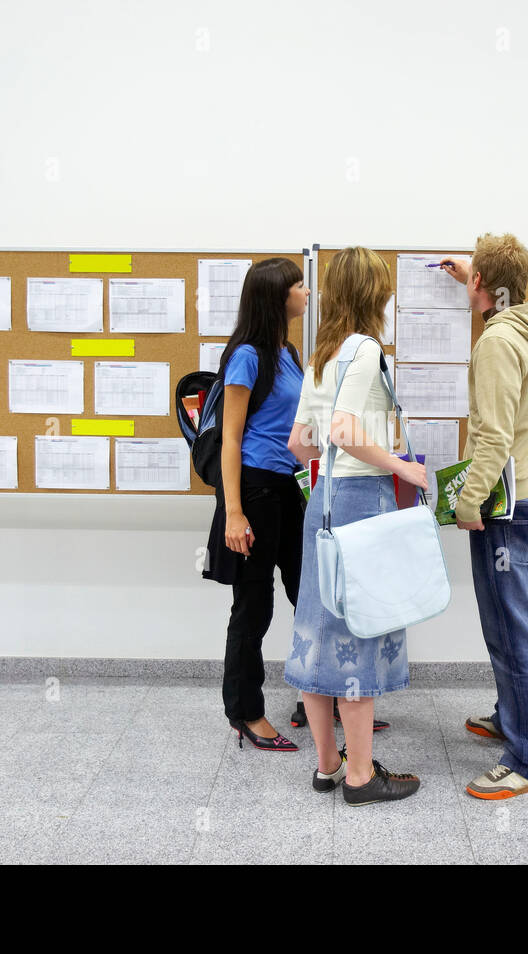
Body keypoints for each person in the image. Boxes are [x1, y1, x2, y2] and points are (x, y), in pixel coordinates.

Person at [285, 246, 430, 805]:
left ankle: (327, 766)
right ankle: (361, 776)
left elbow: (302, 443)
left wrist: (325, 483)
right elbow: (345, 431)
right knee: (358, 635)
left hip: (322, 499)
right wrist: (399, 466)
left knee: (318, 634)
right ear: (374, 295)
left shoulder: (321, 354)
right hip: (361, 503)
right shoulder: (365, 350)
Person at [440, 234, 528, 799]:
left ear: (483, 287)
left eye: (472, 281)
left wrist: (466, 503)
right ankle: (512, 719)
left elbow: (493, 436)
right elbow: (506, 300)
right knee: (506, 626)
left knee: (513, 633)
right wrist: (479, 274)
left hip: (501, 512)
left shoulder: (496, 344)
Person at [202, 257, 309, 752]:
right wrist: (235, 513)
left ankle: (323, 700)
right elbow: (230, 439)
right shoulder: (247, 356)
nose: (306, 292)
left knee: (310, 597)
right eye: (298, 286)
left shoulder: (287, 352)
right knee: (254, 605)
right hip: (255, 490)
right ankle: (245, 712)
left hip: (288, 487)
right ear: (276, 296)